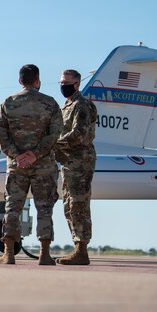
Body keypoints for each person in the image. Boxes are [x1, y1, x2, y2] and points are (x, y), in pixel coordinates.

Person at [0, 64, 63, 265]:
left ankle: (8, 253)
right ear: (37, 80)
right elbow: (55, 132)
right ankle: (44, 254)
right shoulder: (50, 104)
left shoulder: (8, 103)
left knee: (12, 207)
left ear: (20, 81)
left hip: (17, 166)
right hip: (44, 166)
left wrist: (17, 155)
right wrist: (36, 154)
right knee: (44, 208)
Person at [55, 69, 97, 265]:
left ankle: (82, 250)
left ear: (77, 84)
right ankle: (78, 247)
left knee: (78, 204)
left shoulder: (82, 105)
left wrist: (54, 143)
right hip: (69, 161)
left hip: (80, 161)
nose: (63, 85)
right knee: (69, 205)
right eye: (61, 82)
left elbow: (79, 134)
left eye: (67, 82)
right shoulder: (67, 105)